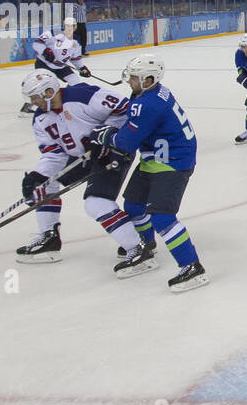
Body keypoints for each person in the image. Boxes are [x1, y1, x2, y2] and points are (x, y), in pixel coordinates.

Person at [86, 54, 207, 292]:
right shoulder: (151, 92)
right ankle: (146, 247)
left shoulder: (148, 103)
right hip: (156, 157)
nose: (129, 81)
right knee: (132, 205)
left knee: (162, 217)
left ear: (149, 79)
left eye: (134, 77)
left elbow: (126, 143)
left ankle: (192, 267)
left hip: (172, 161)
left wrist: (103, 135)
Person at [15, 70, 154, 274]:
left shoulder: (83, 96)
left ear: (49, 91)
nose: (33, 102)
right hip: (84, 157)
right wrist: (39, 177)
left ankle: (138, 250)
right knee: (44, 185)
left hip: (112, 151)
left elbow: (126, 109)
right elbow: (54, 155)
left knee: (95, 203)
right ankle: (50, 238)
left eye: (35, 97)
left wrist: (105, 135)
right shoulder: (41, 120)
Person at [20, 17, 89, 113]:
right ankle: (27, 107)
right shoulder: (52, 33)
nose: (70, 28)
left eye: (73, 26)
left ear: (75, 27)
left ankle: (65, 102)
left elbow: (75, 58)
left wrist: (81, 68)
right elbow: (37, 43)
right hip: (44, 64)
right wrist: (45, 51)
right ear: (64, 25)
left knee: (74, 80)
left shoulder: (76, 41)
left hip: (60, 67)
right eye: (68, 26)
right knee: (42, 86)